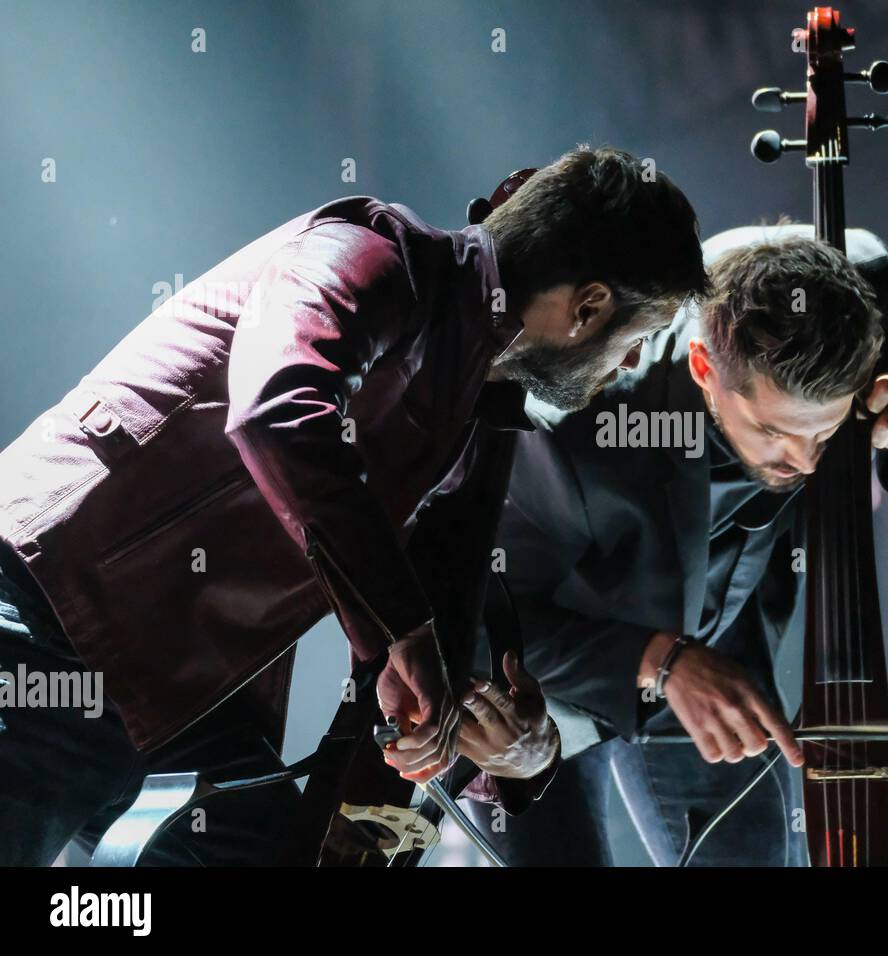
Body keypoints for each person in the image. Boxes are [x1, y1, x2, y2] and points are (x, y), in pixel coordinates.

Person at [0, 146, 708, 865]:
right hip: (43, 603)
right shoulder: (370, 252)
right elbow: (278, 412)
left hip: (168, 691)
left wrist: (519, 760)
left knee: (258, 844)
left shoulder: (480, 420)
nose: (626, 367)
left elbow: (441, 637)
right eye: (637, 341)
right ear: (587, 308)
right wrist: (402, 629)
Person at [468, 225, 888, 865]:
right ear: (704, 369)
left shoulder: (862, 290)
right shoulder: (577, 428)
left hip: (720, 648)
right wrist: (660, 661)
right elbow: (478, 625)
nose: (805, 463)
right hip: (552, 686)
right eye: (774, 432)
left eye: (823, 430)